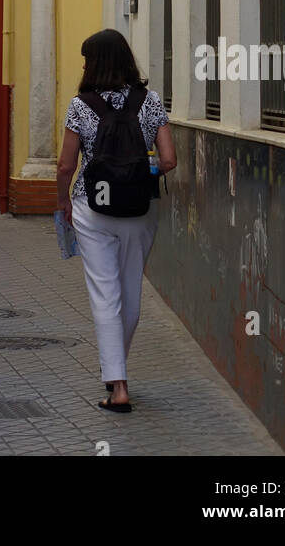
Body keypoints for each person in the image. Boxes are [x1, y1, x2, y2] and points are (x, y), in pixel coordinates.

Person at [56, 28, 176, 413]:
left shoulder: (81, 105)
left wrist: (63, 204)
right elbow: (170, 160)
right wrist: (141, 173)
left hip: (92, 208)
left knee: (104, 294)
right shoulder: (150, 100)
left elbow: (65, 165)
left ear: (95, 63)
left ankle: (118, 384)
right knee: (130, 293)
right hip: (140, 208)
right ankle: (116, 373)